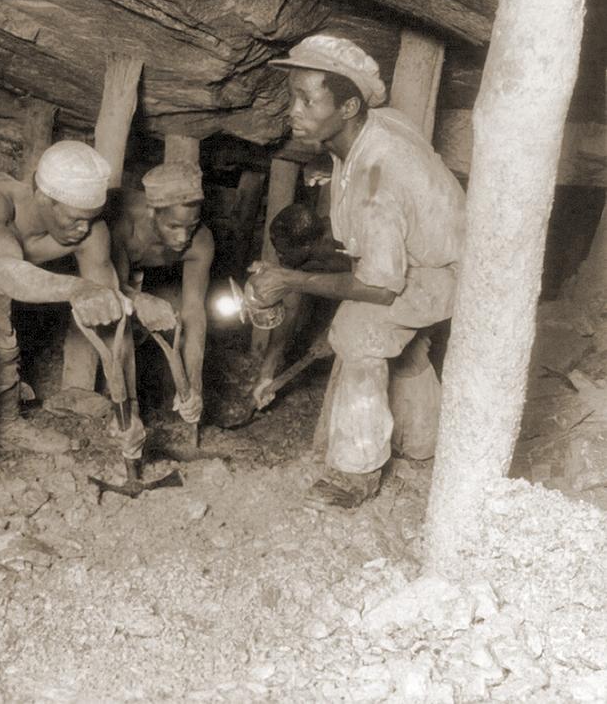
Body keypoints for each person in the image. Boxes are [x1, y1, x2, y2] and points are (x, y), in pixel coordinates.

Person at [246, 33, 466, 508]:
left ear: (347, 108)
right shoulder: (370, 131)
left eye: (308, 99)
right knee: (404, 347)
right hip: (436, 260)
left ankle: (355, 474)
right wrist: (302, 268)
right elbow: (365, 246)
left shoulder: (377, 173)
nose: (294, 111)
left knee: (358, 329)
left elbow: (381, 288)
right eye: (294, 97)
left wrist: (291, 279)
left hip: (446, 274)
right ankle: (426, 443)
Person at [0, 140, 133, 503]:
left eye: (91, 218)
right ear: (42, 197)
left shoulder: (91, 230)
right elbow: (9, 274)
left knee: (2, 341)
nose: (83, 229)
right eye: (74, 217)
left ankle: (6, 424)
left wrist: (128, 408)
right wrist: (78, 289)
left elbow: (110, 321)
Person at [110, 161, 215, 431]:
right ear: (151, 213)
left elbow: (194, 311)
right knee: (120, 325)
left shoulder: (200, 240)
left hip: (150, 273)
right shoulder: (122, 224)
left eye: (190, 226)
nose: (183, 237)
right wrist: (139, 299)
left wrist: (195, 385)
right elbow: (110, 288)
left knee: (173, 317)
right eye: (173, 227)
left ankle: (174, 405)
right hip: (105, 274)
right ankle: (124, 412)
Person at [251, 202, 350, 410]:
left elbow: (369, 288)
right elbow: (289, 311)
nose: (279, 256)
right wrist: (266, 375)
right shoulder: (296, 255)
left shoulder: (346, 240)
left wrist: (336, 329)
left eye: (283, 251)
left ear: (306, 246)